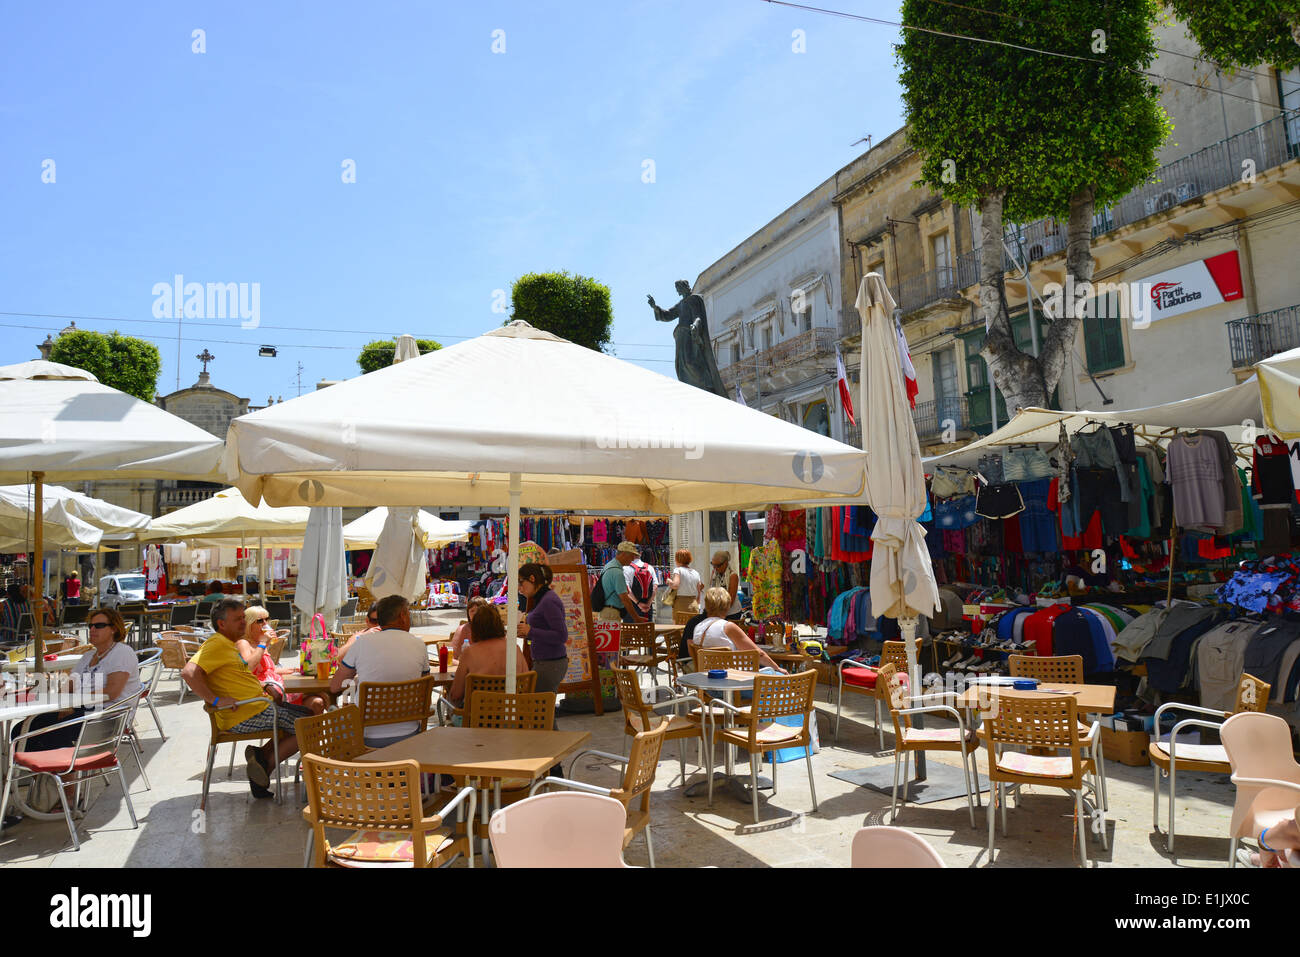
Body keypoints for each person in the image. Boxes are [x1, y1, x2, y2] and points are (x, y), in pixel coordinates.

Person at [182, 597, 313, 799]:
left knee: (308, 715)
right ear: (222, 624)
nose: (243, 622)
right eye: (238, 619)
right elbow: (189, 672)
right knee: (311, 725)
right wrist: (216, 701)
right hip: (245, 714)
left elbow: (237, 677)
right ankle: (265, 768)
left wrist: (262, 685)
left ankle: (260, 759)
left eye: (244, 617)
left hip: (255, 708)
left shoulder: (228, 644)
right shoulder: (216, 644)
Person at [17, 607, 142, 751]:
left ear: (114, 629)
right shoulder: (88, 656)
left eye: (99, 625)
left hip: (108, 715)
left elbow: (111, 692)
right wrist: (65, 705)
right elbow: (68, 685)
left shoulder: (122, 652)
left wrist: (75, 701)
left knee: (52, 734)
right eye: (91, 626)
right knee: (23, 729)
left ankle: (66, 771)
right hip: (82, 709)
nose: (93, 629)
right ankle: (43, 769)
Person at [330, 595, 430, 747]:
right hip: (409, 734)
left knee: (333, 712)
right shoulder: (419, 645)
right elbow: (424, 691)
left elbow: (335, 686)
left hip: (364, 736)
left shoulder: (361, 643)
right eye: (408, 614)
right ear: (402, 616)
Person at [244, 605, 326, 715]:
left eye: (267, 619)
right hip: (267, 692)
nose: (265, 624)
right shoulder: (244, 643)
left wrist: (292, 670)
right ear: (249, 625)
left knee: (318, 700)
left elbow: (268, 670)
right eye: (260, 621)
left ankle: (329, 723)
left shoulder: (259, 643)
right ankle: (339, 717)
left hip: (277, 685)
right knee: (321, 691)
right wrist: (263, 644)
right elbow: (248, 669)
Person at [447, 605, 527, 711]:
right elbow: (526, 684)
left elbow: (456, 695)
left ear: (475, 628)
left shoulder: (470, 653)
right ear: (499, 625)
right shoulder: (514, 649)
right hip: (511, 716)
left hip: (478, 719)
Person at [689, 587, 783, 672]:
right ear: (727, 606)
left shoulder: (698, 627)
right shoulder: (727, 627)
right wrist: (777, 668)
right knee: (783, 680)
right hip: (734, 684)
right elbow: (758, 654)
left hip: (708, 684)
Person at [516, 563, 568, 697]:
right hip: (546, 662)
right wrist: (528, 633)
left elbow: (561, 635)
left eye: (521, 582)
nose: (519, 588)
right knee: (543, 711)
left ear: (532, 579)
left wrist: (530, 632)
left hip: (550, 663)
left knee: (540, 710)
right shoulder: (541, 598)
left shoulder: (548, 600)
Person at [597, 542, 645, 624]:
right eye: (631, 555)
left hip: (607, 611)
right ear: (624, 554)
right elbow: (625, 598)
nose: (633, 559)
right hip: (611, 613)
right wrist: (636, 617)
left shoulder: (609, 565)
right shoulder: (617, 572)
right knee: (613, 636)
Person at [669, 549, 703, 624]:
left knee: (678, 630)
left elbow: (675, 585)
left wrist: (669, 582)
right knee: (692, 629)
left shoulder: (678, 570)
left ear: (677, 559)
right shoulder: (696, 573)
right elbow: (699, 591)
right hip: (694, 604)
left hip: (681, 604)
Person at [709, 551, 744, 621]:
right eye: (713, 565)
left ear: (725, 563)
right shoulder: (715, 575)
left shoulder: (733, 576)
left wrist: (719, 613)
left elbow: (731, 599)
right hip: (718, 613)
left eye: (718, 566)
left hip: (732, 614)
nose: (715, 568)